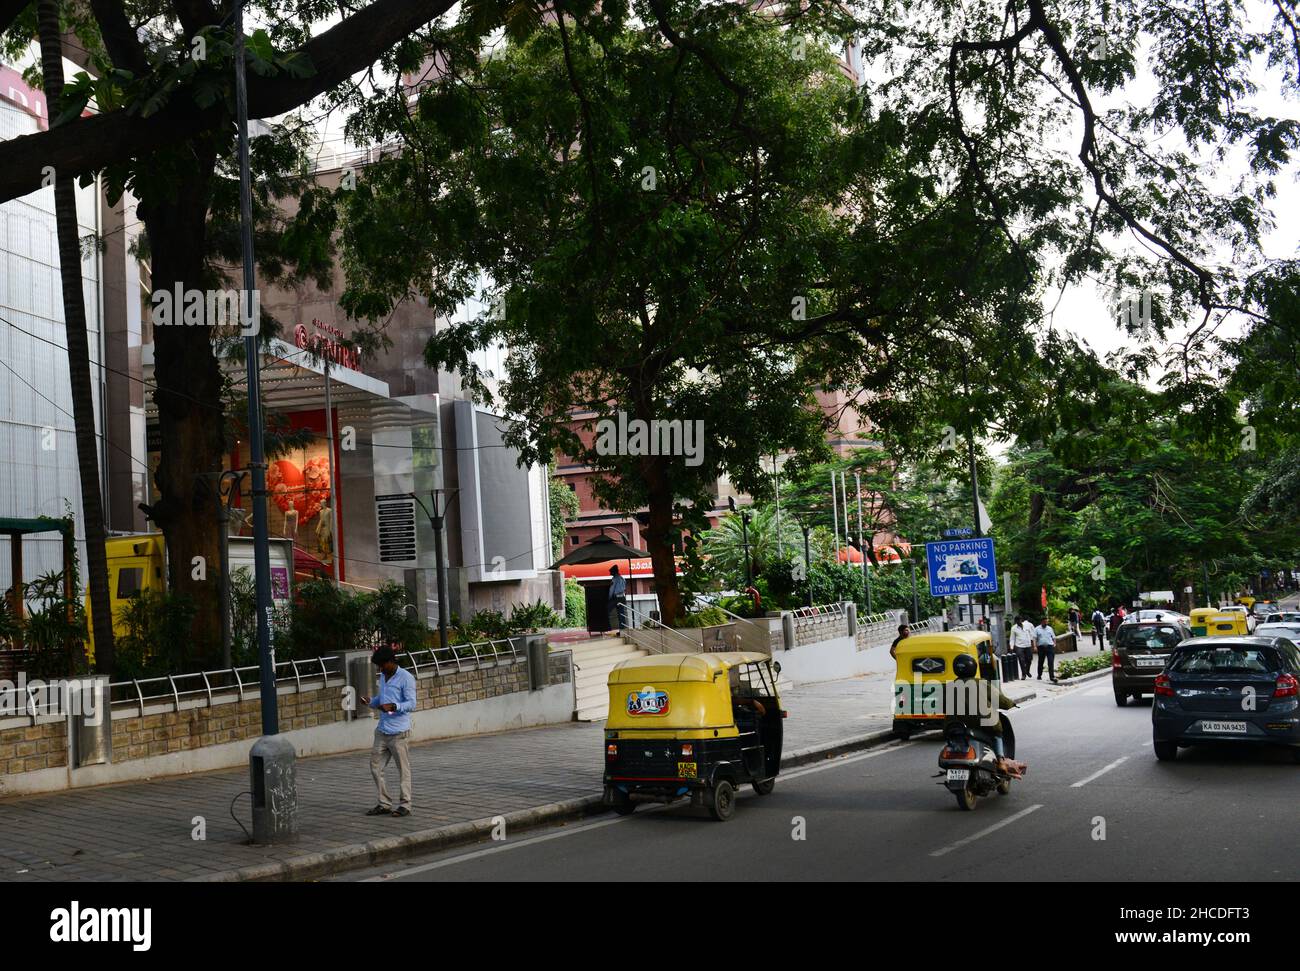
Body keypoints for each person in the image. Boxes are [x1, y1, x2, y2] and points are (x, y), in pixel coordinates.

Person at [361, 646, 417, 817]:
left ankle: (405, 805)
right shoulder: (384, 677)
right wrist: (371, 701)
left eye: (382, 665)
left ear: (391, 662)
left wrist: (394, 706)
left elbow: (411, 704)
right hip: (382, 731)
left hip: (399, 733)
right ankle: (384, 803)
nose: (380, 669)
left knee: (403, 770)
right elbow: (382, 699)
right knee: (375, 767)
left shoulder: (406, 678)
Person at [1010, 614, 1034, 679]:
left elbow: (1031, 635)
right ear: (1015, 621)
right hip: (1019, 646)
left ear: (1021, 620)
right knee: (1021, 660)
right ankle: (1024, 674)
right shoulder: (1013, 628)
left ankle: (1027, 671)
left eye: (1019, 620)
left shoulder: (1027, 626)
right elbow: (1012, 638)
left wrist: (1033, 644)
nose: (1018, 622)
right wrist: (1011, 647)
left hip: (1027, 645)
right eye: (1017, 621)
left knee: (1029, 659)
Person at [1033, 617, 1057, 682]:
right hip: (1041, 647)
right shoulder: (1037, 629)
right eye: (1044, 622)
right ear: (1041, 622)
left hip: (1050, 647)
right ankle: (1039, 675)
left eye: (1047, 622)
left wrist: (1054, 644)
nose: (1046, 623)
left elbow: (1054, 637)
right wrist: (1034, 646)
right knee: (1041, 661)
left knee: (1050, 662)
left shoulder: (1050, 628)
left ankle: (1052, 677)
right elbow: (1034, 638)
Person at [607, 564, 628, 630]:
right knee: (621, 614)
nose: (610, 573)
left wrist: (609, 598)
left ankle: (607, 627)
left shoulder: (614, 579)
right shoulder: (622, 578)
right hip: (622, 598)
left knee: (607, 610)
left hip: (616, 598)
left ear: (614, 572)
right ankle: (622, 629)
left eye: (611, 572)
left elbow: (611, 589)